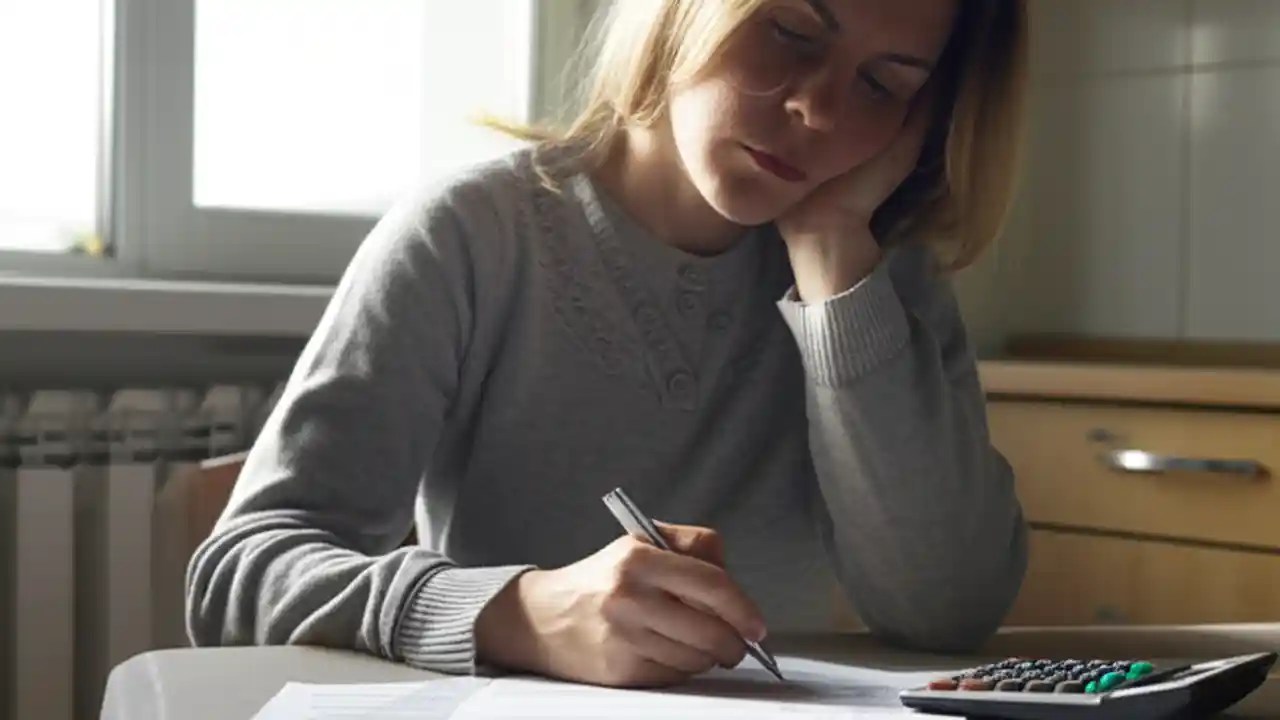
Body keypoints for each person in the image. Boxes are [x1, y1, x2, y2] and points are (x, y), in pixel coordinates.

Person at [187, 0, 1030, 689]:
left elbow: (946, 614)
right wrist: (519, 613)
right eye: (790, 32)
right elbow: (239, 577)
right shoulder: (474, 236)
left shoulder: (887, 282)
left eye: (884, 87)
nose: (819, 108)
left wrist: (836, 259)